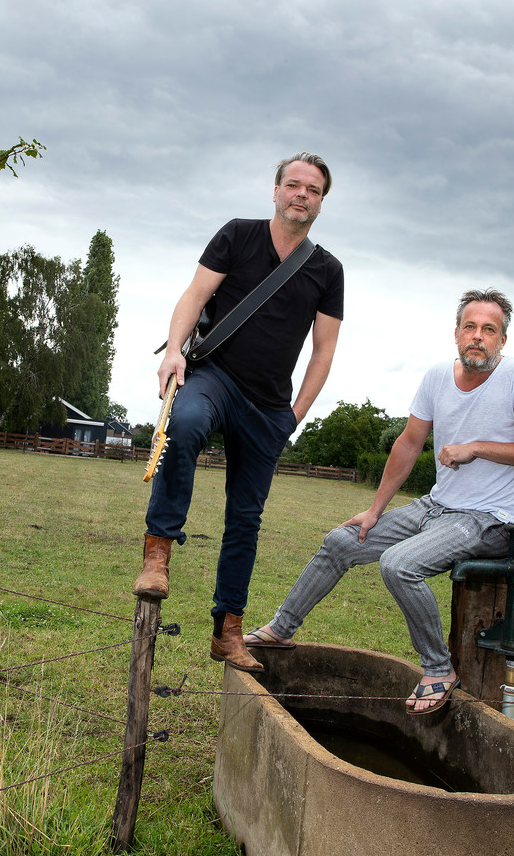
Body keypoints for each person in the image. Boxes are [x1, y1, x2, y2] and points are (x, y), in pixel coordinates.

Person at [243, 289, 514, 712]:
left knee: (399, 565)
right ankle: (282, 630)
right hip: (436, 506)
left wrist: (476, 447)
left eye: (489, 329)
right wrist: (374, 511)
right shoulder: (435, 377)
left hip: (489, 518)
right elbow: (409, 444)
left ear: (503, 340)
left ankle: (438, 669)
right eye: (470, 327)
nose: (478, 337)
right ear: (456, 334)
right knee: (342, 540)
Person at [133, 152, 344, 675]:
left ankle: (228, 630)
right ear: (276, 191)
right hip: (215, 377)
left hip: (269, 405)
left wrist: (293, 416)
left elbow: (323, 352)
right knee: (182, 425)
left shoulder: (327, 270)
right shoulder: (237, 235)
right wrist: (174, 349)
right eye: (293, 185)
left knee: (245, 522)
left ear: (321, 201)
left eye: (312, 190)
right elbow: (194, 294)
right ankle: (157, 554)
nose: (301, 195)